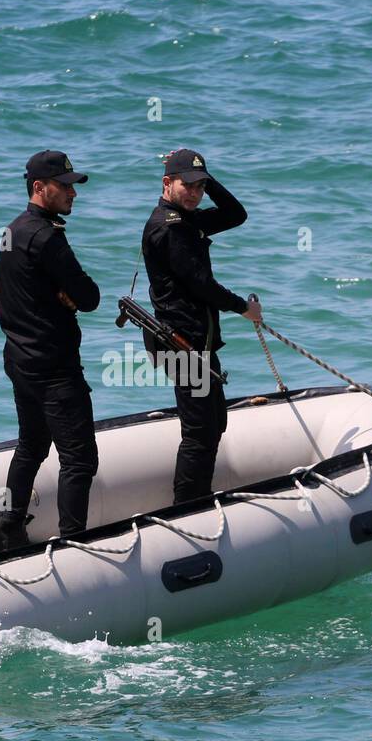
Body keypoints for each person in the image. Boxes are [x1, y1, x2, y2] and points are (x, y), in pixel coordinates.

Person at [141, 148, 262, 504]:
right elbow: (200, 284)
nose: (194, 193)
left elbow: (236, 214)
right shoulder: (170, 228)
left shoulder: (188, 219)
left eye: (200, 186)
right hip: (181, 343)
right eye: (187, 185)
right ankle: (188, 505)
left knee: (213, 424)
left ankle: (195, 497)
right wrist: (244, 308)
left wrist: (209, 181)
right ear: (167, 183)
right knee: (199, 432)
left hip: (198, 343)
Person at [0, 150, 101, 549]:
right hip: (54, 367)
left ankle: (10, 523)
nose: (73, 193)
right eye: (65, 186)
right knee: (79, 458)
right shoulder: (46, 238)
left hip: (20, 359)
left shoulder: (13, 231)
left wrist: (56, 298)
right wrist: (67, 299)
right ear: (40, 188)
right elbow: (89, 296)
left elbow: (10, 296)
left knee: (32, 444)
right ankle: (74, 541)